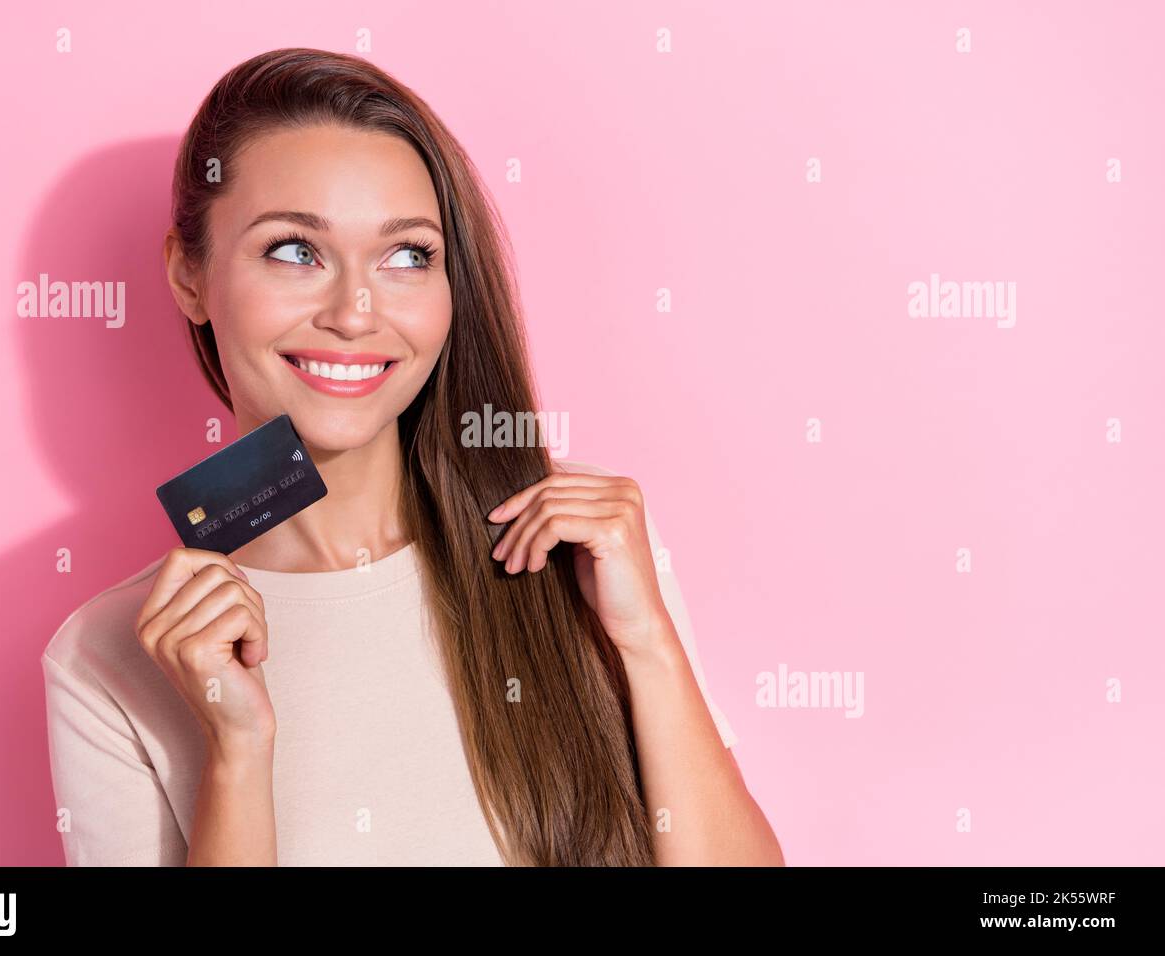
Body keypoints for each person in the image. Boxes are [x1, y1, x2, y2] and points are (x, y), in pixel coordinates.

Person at [40, 48, 783, 867]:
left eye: (407, 256)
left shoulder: (579, 552)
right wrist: (238, 753)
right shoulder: (107, 655)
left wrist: (643, 638)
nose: (356, 314)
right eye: (294, 250)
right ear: (189, 276)